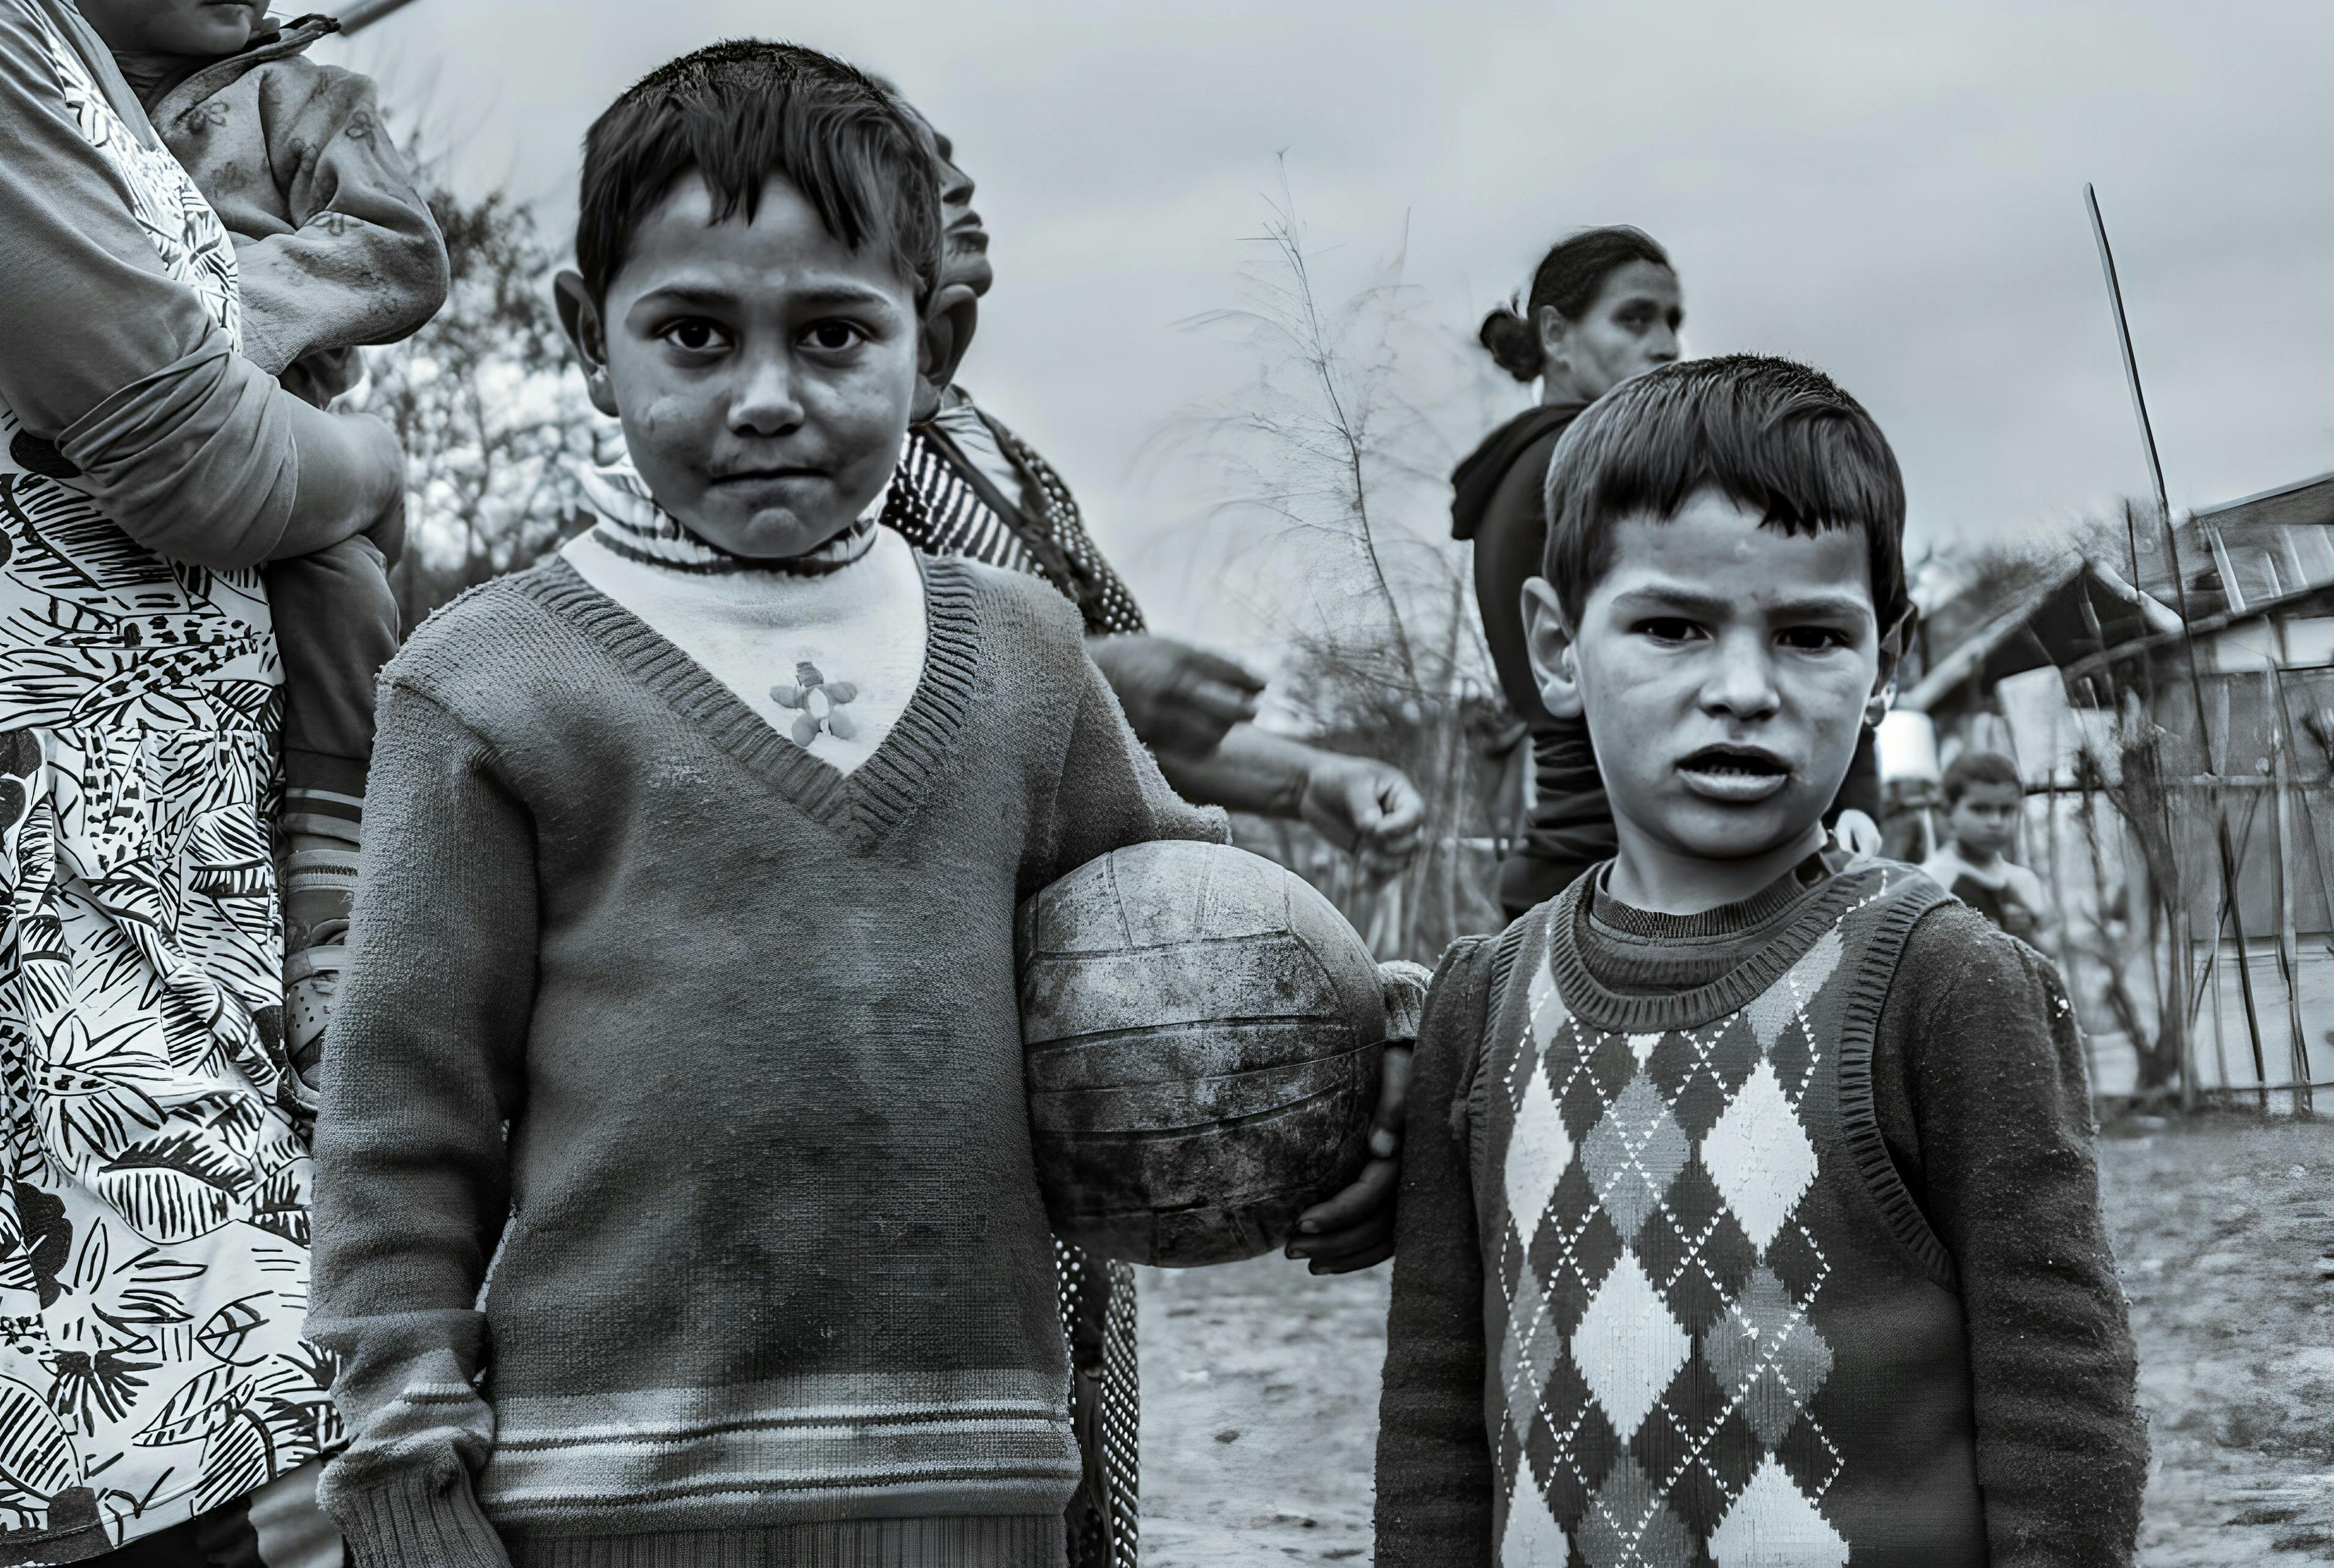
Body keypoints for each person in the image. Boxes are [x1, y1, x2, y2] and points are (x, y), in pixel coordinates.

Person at [305, 41, 1239, 1566]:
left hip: (978, 1478)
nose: (763, 397)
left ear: (927, 347)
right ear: (585, 339)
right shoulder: (485, 682)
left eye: (830, 335)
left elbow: (1191, 935)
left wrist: (1397, 1032)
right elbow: (401, 1116)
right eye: (690, 333)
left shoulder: (1020, 653)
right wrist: (405, 1451)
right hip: (607, 1498)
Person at [1375, 356, 2146, 1564]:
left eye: (1808, 635)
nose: (1743, 689)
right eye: (1672, 626)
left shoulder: (1941, 987)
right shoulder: (1487, 1004)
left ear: (1885, 660)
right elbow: (1433, 1410)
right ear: (1556, 644)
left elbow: (2060, 1393)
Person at [879, 96, 1430, 1568]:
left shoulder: (1003, 461)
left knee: (1072, 1407)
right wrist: (1085, 681)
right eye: (926, 175)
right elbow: (871, 703)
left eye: (965, 166)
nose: (966, 187)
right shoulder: (817, 466)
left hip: (1082, 1029)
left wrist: (1310, 777)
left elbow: (1135, 719)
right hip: (927, 1026)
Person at [0, 0, 407, 1559]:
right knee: (234, 1467)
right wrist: (360, 469)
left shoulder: (109, 67)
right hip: (57, 931)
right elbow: (201, 464)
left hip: (153, 894)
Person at [77, 0, 450, 1119]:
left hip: (280, 441)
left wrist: (225, 314)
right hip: (92, 490)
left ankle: (333, 924)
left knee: (346, 608)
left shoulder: (301, 95)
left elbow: (398, 243)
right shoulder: (56, 99)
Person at [1458, 230, 1881, 920]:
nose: (1666, 345)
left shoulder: (1506, 479)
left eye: (1673, 321)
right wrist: (1855, 793)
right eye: (1635, 318)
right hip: (1661, 877)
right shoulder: (1590, 477)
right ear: (1556, 335)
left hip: (1565, 875)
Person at [1924, 748, 2056, 948]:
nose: (1996, 822)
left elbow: (2052, 953)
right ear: (1948, 811)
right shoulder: (1933, 880)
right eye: (1981, 809)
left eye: (2006, 810)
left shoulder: (2023, 882)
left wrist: (2028, 935)